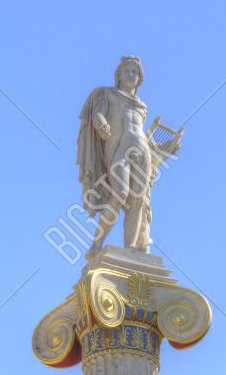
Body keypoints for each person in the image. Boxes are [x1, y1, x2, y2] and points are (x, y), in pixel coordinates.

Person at [75, 56, 180, 253]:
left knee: (138, 199)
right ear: (119, 76)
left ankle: (131, 248)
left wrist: (168, 145)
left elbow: (144, 136)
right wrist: (102, 125)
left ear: (140, 78)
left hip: (141, 150)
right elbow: (97, 114)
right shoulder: (107, 95)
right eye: (127, 71)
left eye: (135, 72)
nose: (131, 74)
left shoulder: (141, 106)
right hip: (118, 148)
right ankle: (97, 244)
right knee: (120, 194)